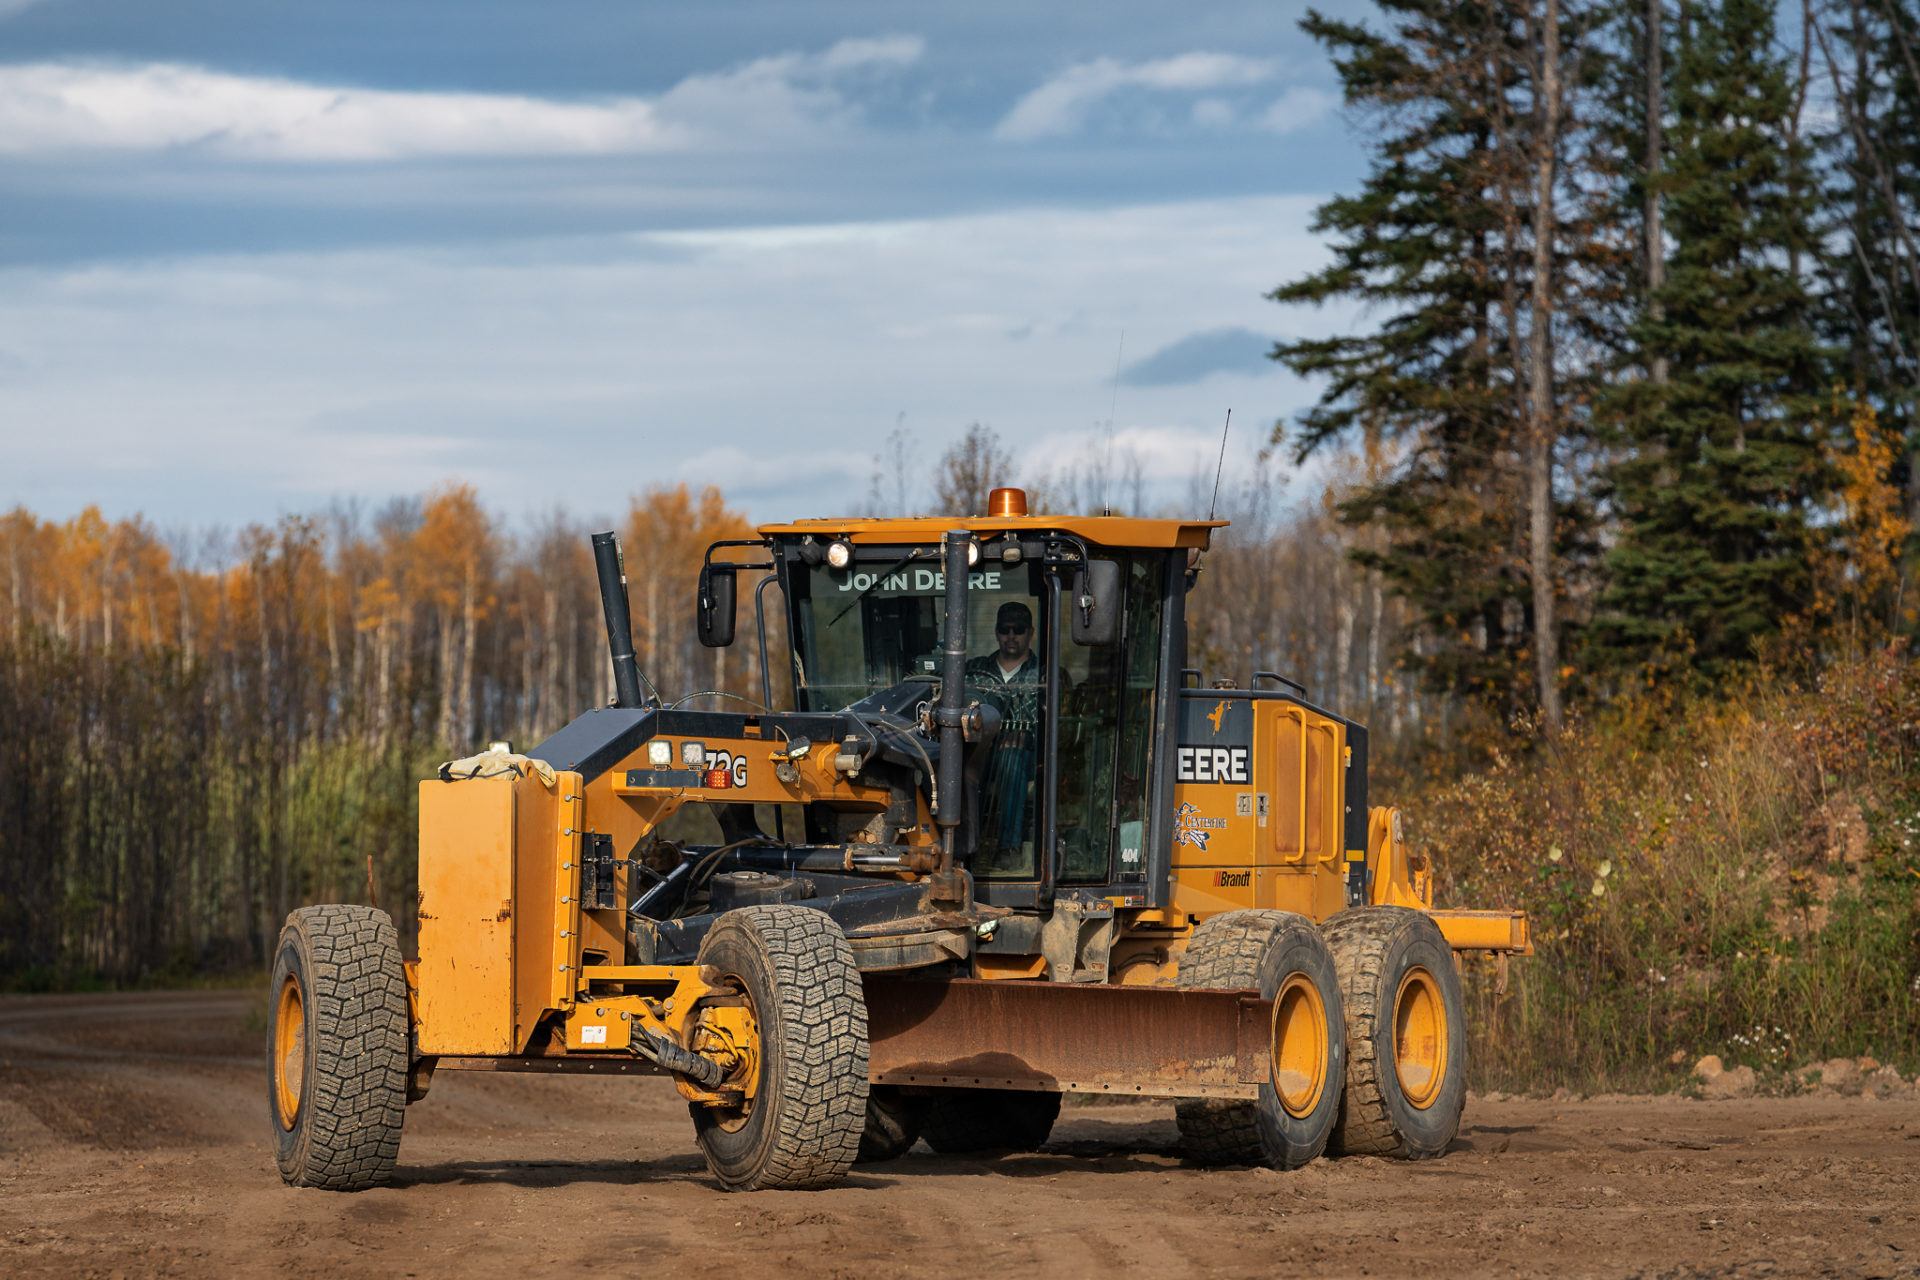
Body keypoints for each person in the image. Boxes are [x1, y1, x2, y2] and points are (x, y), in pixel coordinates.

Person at [964, 601, 1045, 859]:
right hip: (980, 750)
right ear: (997, 632)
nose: (1011, 635)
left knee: (1011, 756)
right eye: (1005, 629)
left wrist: (1025, 735)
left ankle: (1009, 847)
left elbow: (1051, 724)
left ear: (1030, 632)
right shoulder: (974, 669)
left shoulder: (1046, 673)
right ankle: (961, 845)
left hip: (1028, 757)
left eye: (1018, 629)